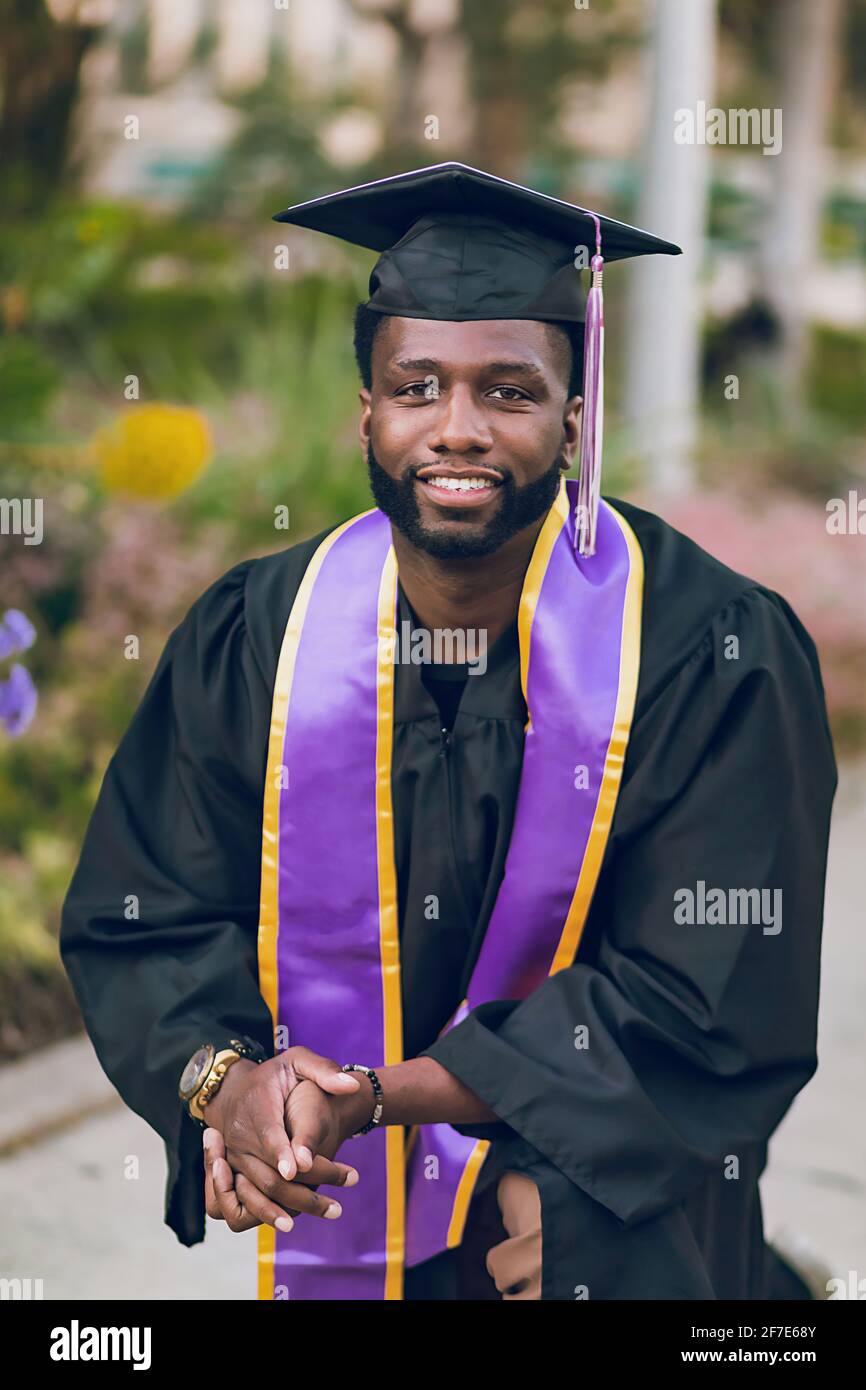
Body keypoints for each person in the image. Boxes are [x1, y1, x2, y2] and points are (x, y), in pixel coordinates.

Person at [60, 163, 837, 1301]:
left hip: (607, 1201)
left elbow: (707, 998)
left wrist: (387, 1097)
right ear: (364, 412)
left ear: (576, 417)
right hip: (343, 1197)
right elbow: (151, 911)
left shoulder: (708, 650)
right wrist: (226, 1087)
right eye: (416, 386)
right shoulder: (258, 634)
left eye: (509, 392)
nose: (457, 430)